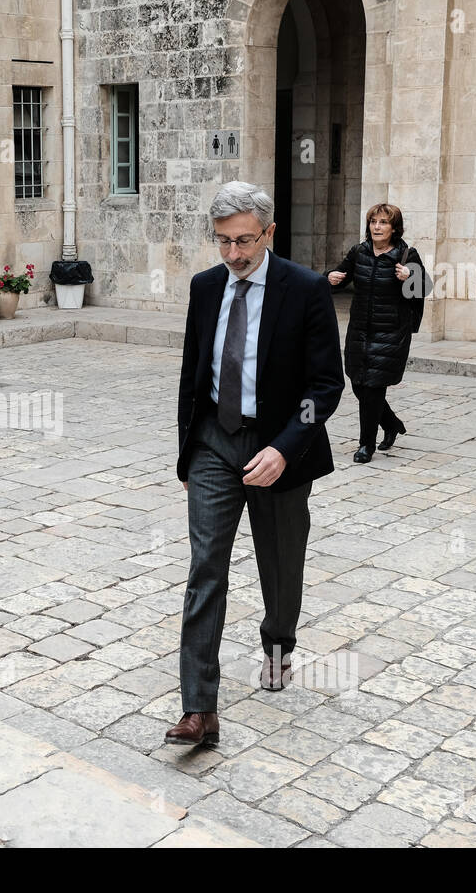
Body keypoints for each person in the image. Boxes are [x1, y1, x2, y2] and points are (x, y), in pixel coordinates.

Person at [167, 181, 344, 747]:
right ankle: (200, 708)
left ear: (269, 232)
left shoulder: (307, 290)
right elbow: (193, 374)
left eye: (244, 240)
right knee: (205, 571)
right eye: (222, 242)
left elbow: (325, 386)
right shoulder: (204, 288)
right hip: (216, 448)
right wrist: (190, 452)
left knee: (281, 565)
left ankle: (278, 646)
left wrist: (286, 446)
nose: (234, 254)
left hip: (279, 453)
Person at [327, 204, 428, 463]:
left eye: (383, 222)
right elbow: (339, 277)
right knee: (359, 384)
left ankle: (365, 446)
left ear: (394, 227)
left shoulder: (406, 255)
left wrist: (411, 276)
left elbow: (424, 289)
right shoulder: (359, 252)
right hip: (359, 330)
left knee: (373, 388)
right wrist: (328, 278)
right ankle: (392, 423)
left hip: (391, 332)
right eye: (373, 222)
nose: (377, 227)